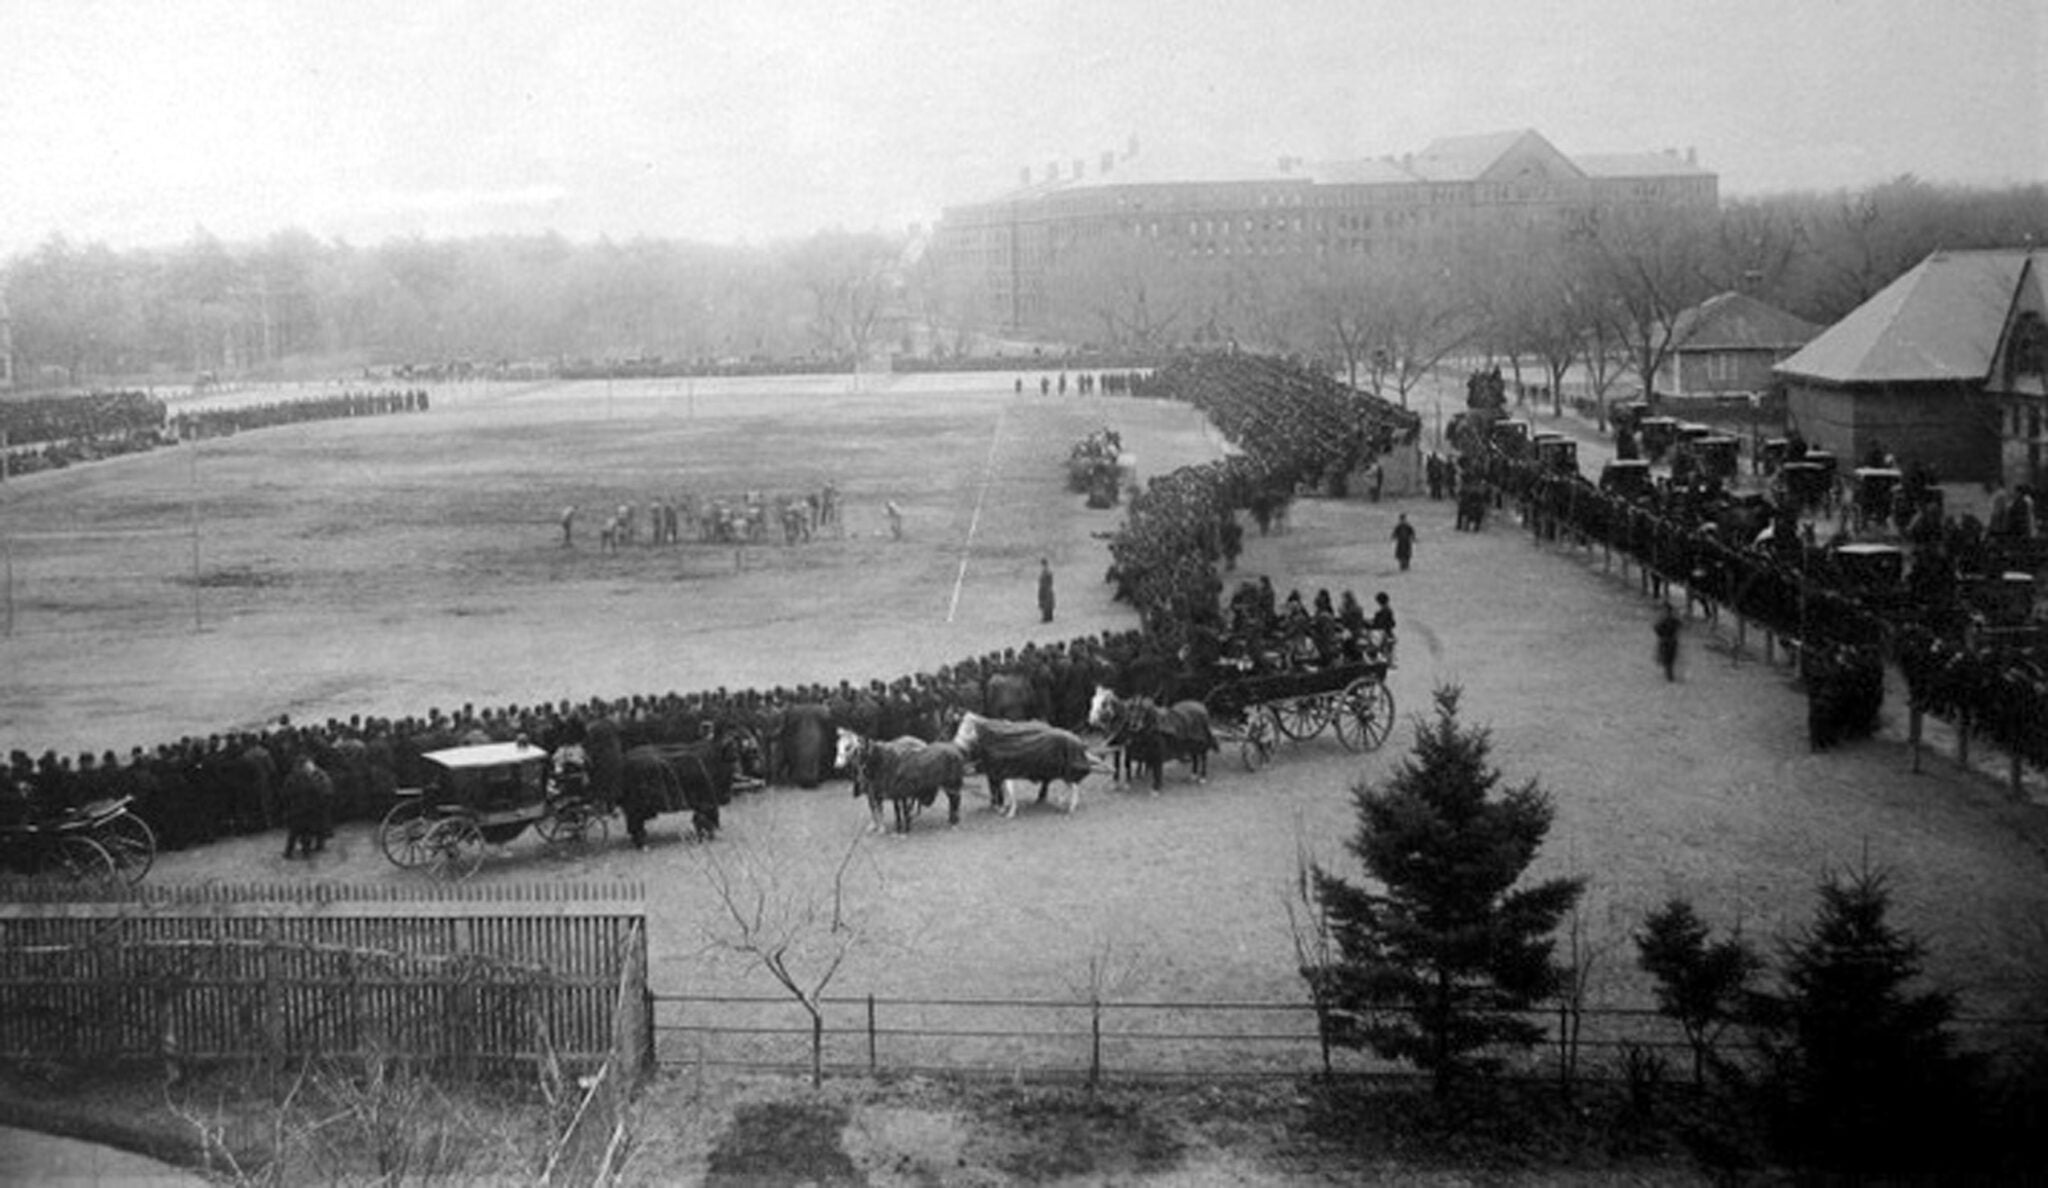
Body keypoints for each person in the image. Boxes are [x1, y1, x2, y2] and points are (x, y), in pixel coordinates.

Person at [1654, 602, 1681, 681]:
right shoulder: (1672, 620)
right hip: (1668, 642)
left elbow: (1656, 629)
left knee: (1668, 662)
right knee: (1668, 662)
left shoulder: (1668, 621)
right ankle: (1670, 677)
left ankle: (1670, 678)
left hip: (1668, 643)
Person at [1037, 558, 1056, 623]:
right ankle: (1048, 617)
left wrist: (1044, 588)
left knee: (1046, 602)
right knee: (1045, 602)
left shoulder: (1047, 572)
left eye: (1043, 565)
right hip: (1046, 589)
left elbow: (1048, 582)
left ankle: (1047, 617)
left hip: (1046, 589)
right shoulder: (1046, 572)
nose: (1042, 566)